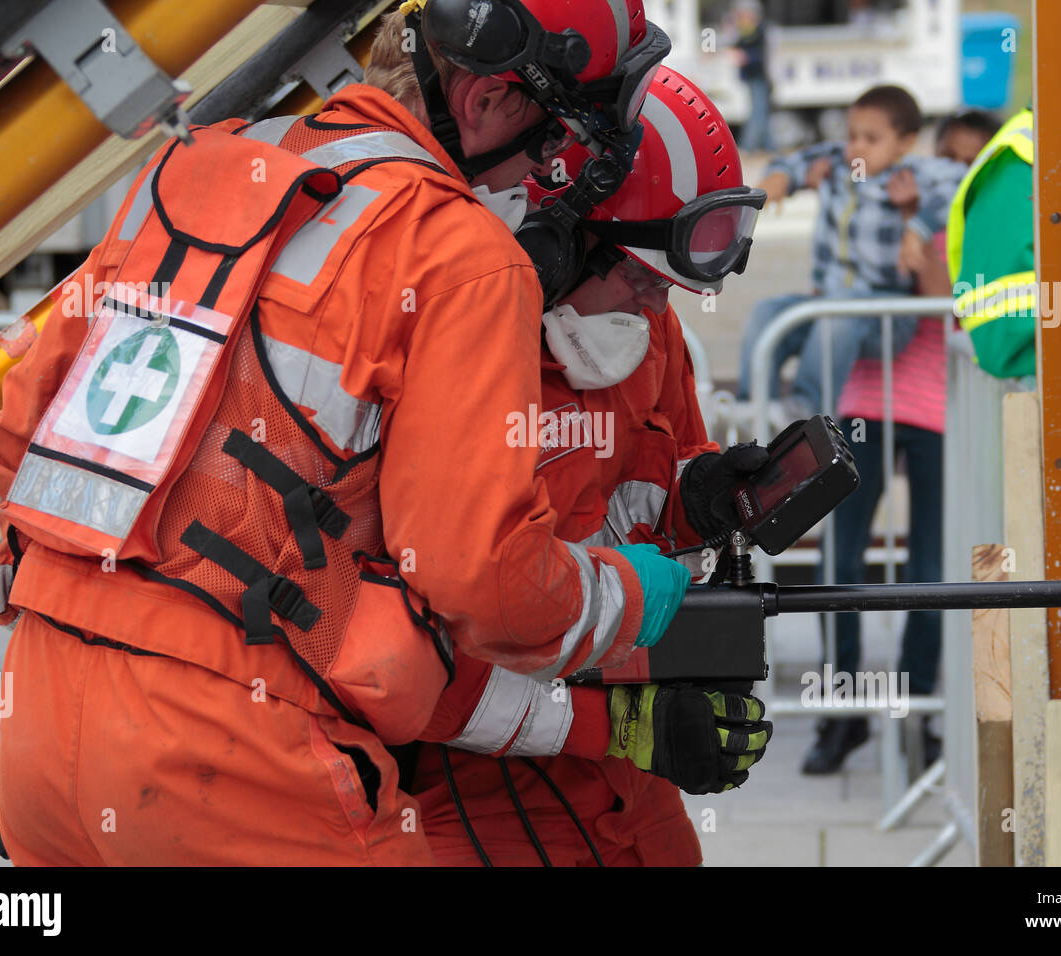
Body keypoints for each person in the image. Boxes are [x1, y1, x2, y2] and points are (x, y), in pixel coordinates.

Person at [0, 0, 687, 865]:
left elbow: (15, 434)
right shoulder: (459, 254)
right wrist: (628, 595)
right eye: (550, 143)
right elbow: (482, 581)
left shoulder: (195, 170)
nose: (541, 175)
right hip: (234, 759)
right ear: (490, 102)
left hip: (43, 736)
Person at [410, 66, 773, 866]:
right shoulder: (442, 366)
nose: (654, 311)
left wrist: (702, 499)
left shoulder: (648, 334)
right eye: (642, 279)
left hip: (631, 789)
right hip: (481, 797)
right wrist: (625, 728)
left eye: (669, 291)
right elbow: (410, 663)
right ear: (552, 245)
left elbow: (649, 495)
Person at [800, 112, 998, 774]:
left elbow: (952, 305)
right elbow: (826, 168)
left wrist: (932, 229)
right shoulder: (882, 198)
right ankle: (841, 711)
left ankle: (917, 711)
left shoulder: (965, 221)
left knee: (930, 568)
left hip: (940, 408)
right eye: (952, 160)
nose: (958, 173)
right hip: (868, 399)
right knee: (842, 557)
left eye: (975, 164)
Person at [737, 84, 966, 427]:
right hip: (829, 304)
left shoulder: (912, 175)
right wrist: (780, 177)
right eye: (852, 136)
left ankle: (806, 406)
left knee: (840, 313)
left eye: (871, 140)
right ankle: (753, 405)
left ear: (904, 143)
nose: (857, 146)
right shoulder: (835, 165)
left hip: (884, 315)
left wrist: (917, 226)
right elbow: (791, 161)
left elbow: (959, 181)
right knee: (767, 313)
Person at [946, 107, 1036, 379]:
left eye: (967, 160)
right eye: (948, 158)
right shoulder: (1016, 154)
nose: (955, 169)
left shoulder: (1016, 150)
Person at [731, 0, 773, 154]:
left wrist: (746, 56)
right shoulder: (748, 30)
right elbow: (736, 45)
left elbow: (760, 54)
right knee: (761, 112)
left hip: (759, 76)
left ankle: (748, 146)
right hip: (752, 76)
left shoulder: (759, 31)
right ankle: (771, 147)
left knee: (758, 113)